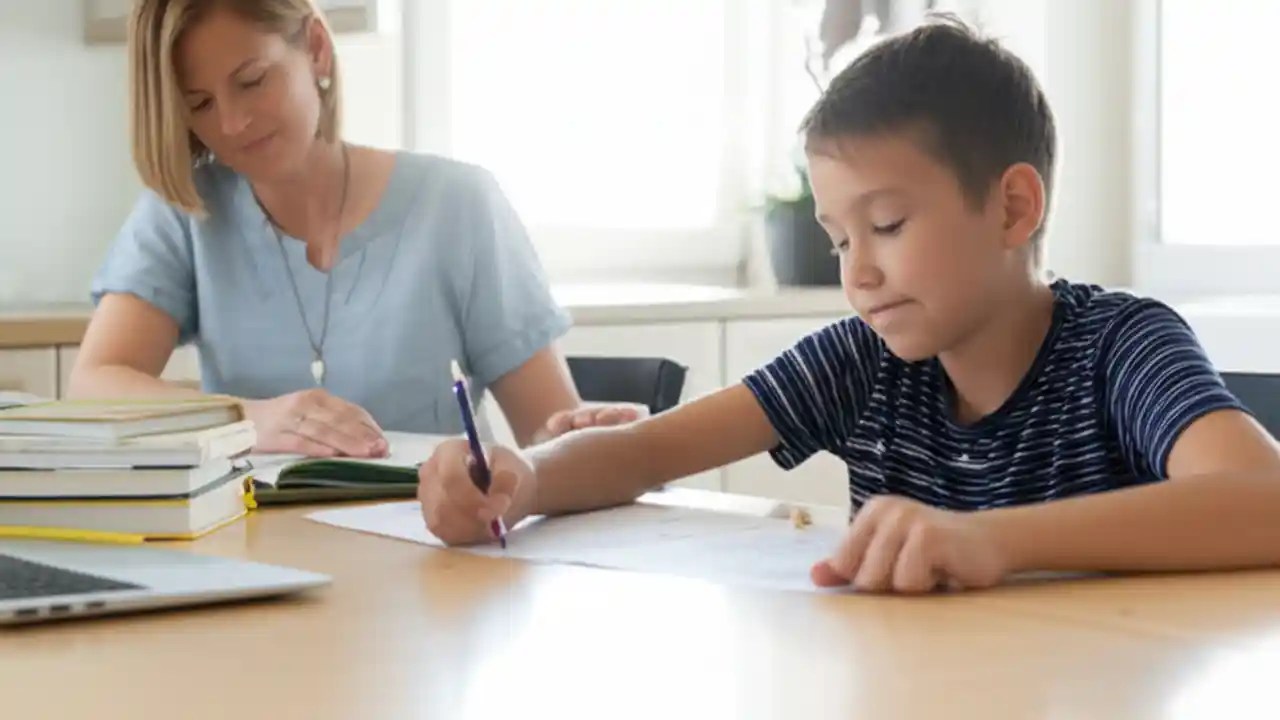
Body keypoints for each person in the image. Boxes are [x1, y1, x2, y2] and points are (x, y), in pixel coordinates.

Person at [417, 17, 1280, 593]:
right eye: (837, 238)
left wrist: (995, 541)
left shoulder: (1119, 347)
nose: (857, 273)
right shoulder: (863, 361)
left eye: (888, 223)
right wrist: (522, 480)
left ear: (1015, 208)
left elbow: (1266, 499)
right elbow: (645, 452)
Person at [70, 0, 638, 458]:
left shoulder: (457, 205)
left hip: (443, 559)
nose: (232, 123)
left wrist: (582, 434)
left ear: (315, 49)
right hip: (260, 551)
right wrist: (251, 419)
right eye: (199, 103)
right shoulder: (186, 210)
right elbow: (95, 386)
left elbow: (549, 432)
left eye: (252, 80)